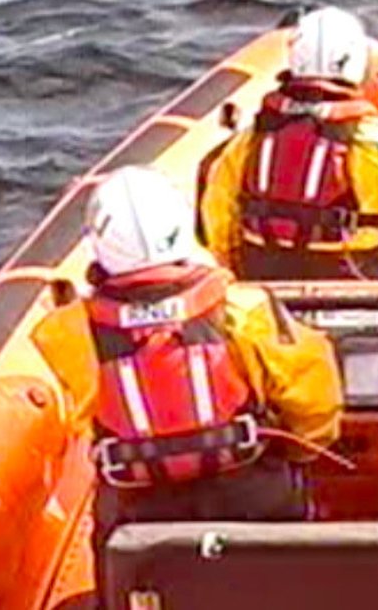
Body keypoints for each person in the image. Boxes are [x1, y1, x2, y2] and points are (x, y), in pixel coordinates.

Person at [31, 165, 343, 606]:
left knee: (114, 558)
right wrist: (300, 450)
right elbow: (314, 403)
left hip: (138, 507)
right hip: (250, 491)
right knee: (291, 523)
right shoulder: (245, 309)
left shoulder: (67, 331)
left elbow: (89, 411)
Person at [201, 5, 378, 279]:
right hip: (356, 285)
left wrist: (229, 265)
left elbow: (218, 213)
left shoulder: (250, 140)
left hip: (262, 278)